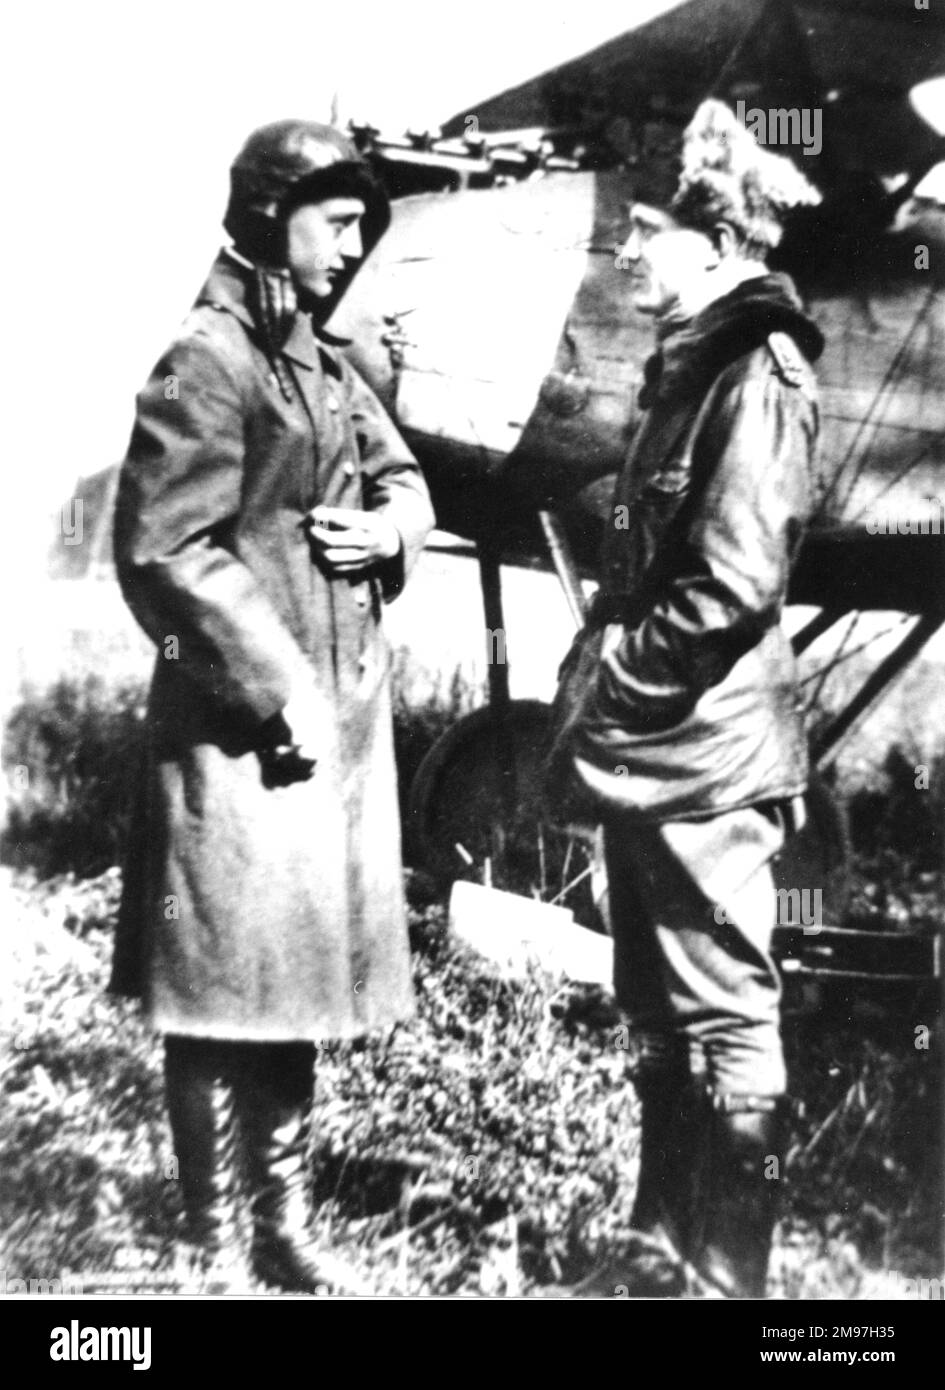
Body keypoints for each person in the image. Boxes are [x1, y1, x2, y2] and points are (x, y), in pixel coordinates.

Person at [110, 120, 435, 1293]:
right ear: (268, 217)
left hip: (320, 739)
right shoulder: (209, 360)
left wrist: (393, 526)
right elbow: (164, 548)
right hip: (235, 731)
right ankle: (209, 1240)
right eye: (338, 221)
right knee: (216, 993)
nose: (355, 247)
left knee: (288, 984)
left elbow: (401, 473)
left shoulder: (320, 362)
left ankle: (281, 1229)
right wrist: (271, 684)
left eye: (363, 227)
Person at [547, 99, 824, 1297]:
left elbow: (729, 585)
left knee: (726, 1012)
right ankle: (659, 1242)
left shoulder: (756, 375)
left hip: (700, 750)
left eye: (644, 229)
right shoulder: (692, 364)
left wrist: (611, 692)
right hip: (659, 748)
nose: (625, 253)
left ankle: (733, 1281)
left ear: (711, 240)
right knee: (656, 1000)